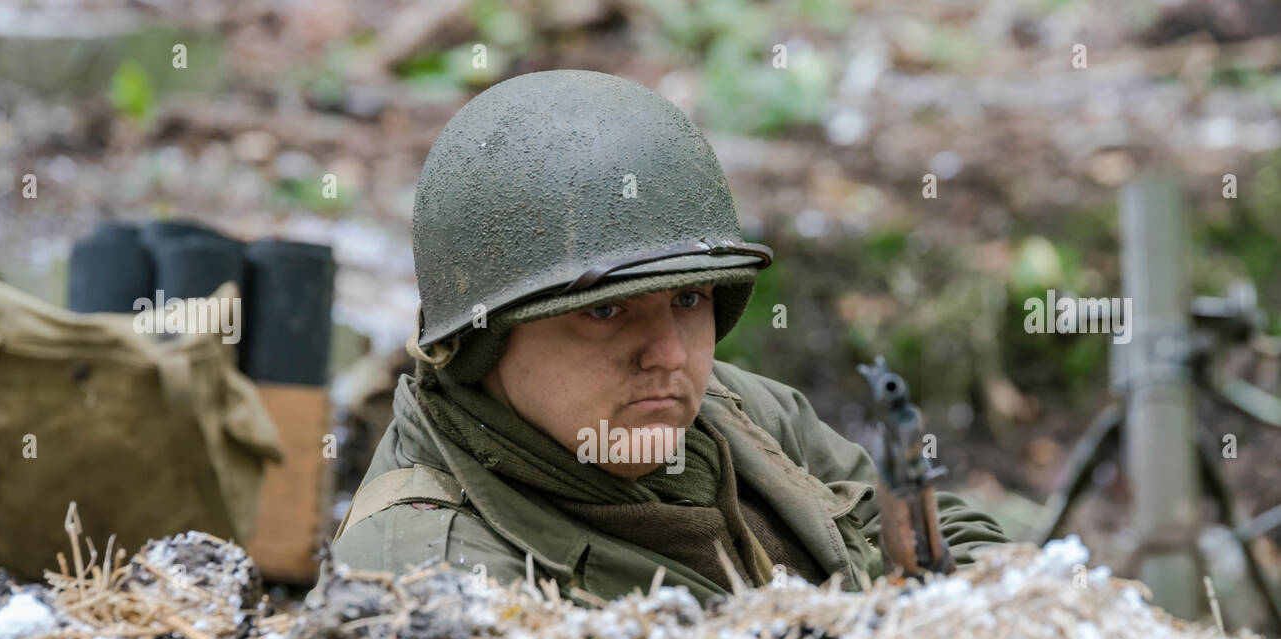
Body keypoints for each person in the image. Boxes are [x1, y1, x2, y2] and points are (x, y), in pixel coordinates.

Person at [324, 69, 1006, 603]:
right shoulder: (424, 580)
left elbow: (952, 533)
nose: (672, 355)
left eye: (688, 298)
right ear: (482, 342)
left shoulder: (738, 415)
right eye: (605, 312)